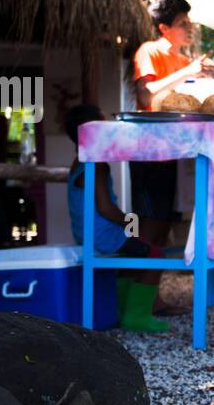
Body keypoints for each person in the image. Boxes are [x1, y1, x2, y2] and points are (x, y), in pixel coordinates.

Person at [131, 0, 214, 314]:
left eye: (189, 22)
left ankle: (147, 300)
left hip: (178, 155)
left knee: (164, 225)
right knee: (147, 226)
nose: (189, 28)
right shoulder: (149, 51)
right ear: (164, 28)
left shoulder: (185, 62)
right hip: (150, 152)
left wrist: (201, 80)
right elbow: (146, 93)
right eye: (182, 24)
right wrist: (188, 73)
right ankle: (134, 303)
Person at [65, 103, 168, 333]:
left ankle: (122, 309)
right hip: (102, 236)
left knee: (134, 257)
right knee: (155, 254)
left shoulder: (78, 162)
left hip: (88, 234)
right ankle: (138, 316)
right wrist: (131, 222)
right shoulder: (96, 165)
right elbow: (106, 208)